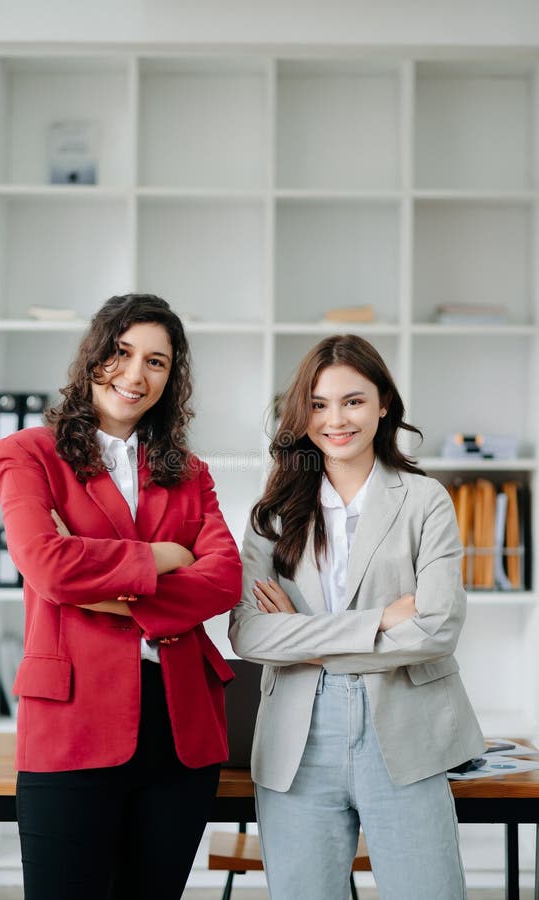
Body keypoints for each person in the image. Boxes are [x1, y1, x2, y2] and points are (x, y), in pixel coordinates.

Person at [0, 293, 242, 900]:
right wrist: (163, 557)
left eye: (156, 362)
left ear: (171, 378)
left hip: (178, 727)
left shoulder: (190, 471)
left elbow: (224, 578)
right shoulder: (28, 454)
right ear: (93, 356)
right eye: (121, 353)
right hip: (71, 720)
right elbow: (48, 566)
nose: (135, 374)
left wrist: (105, 592)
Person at [229, 334, 484, 900]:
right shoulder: (272, 514)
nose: (335, 420)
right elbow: (248, 633)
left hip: (406, 729)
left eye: (353, 401)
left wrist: (303, 640)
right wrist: (379, 621)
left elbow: (436, 629)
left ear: (384, 403)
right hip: (297, 740)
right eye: (318, 405)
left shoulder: (425, 500)